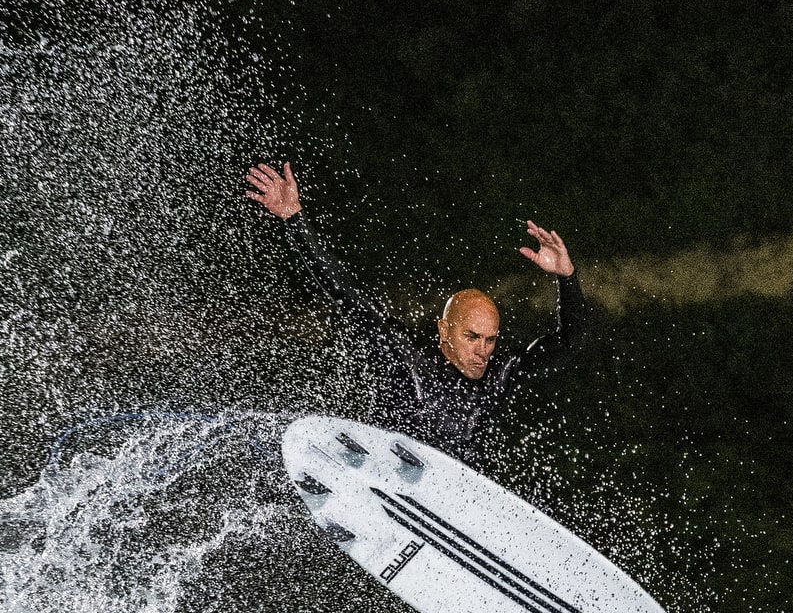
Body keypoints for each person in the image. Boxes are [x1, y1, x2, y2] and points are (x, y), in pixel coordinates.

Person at [244, 161, 586, 467]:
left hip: (451, 498)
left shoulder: (501, 375)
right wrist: (294, 219)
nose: (483, 350)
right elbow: (344, 293)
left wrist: (567, 278)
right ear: (444, 330)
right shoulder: (404, 354)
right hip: (384, 472)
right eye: (471, 337)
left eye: (490, 340)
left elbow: (570, 343)